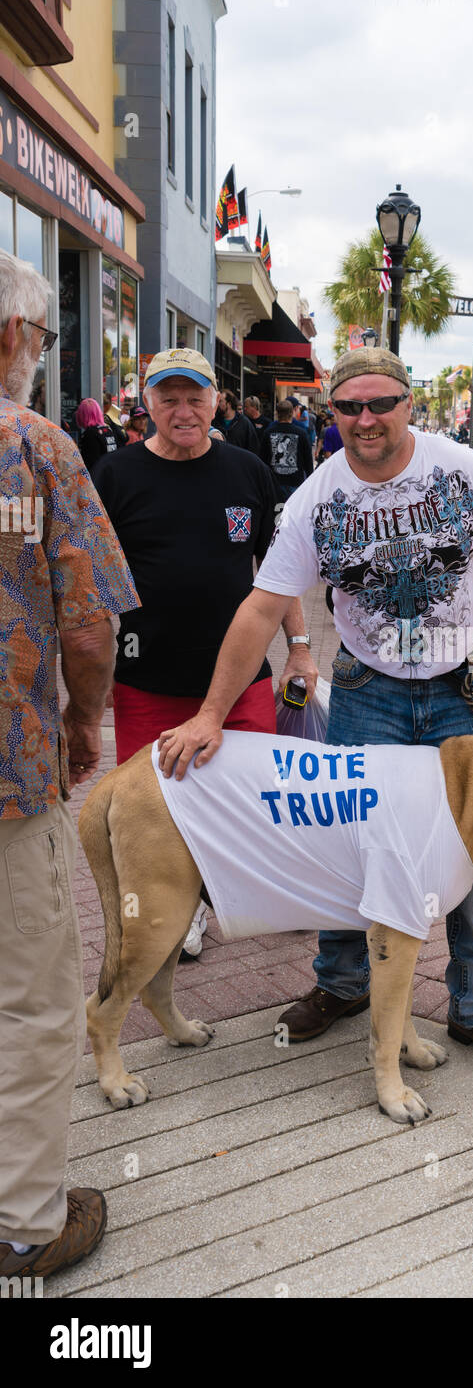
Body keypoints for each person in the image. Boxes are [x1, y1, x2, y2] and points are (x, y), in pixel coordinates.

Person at [156, 346, 473, 1079]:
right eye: (348, 407)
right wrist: (212, 712)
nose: (365, 419)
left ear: (409, 403)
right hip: (366, 687)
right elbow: (262, 607)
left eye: (380, 404)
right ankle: (340, 984)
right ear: (330, 414)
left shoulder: (461, 468)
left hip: (461, 687)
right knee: (343, 835)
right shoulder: (314, 499)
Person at [0, 248, 139, 1281]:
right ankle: (25, 1218)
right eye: (43, 340)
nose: (41, 357)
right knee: (32, 995)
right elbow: (88, 626)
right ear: (14, 336)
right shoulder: (35, 448)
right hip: (10, 776)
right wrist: (84, 725)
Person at [90, 347, 282, 957]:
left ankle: (241, 895)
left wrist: (301, 648)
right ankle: (183, 910)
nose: (183, 410)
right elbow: (92, 577)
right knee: (160, 807)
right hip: (148, 679)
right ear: (145, 405)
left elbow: (277, 569)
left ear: (215, 401)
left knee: (255, 794)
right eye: (167, 398)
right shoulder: (116, 475)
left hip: (242, 678)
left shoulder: (248, 470)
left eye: (195, 396)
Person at [259, 396, 314, 507]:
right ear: (292, 413)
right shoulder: (301, 433)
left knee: (274, 514)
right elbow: (308, 460)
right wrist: (310, 482)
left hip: (273, 482)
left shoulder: (268, 432)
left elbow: (262, 459)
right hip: (295, 482)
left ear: (277, 413)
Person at [75, 398, 119, 469]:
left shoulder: (90, 433)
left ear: (82, 414)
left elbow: (91, 461)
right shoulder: (108, 430)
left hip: (97, 476)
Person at [215, 388, 260, 455]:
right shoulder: (214, 421)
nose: (217, 404)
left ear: (229, 404)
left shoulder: (244, 423)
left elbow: (253, 449)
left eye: (220, 401)